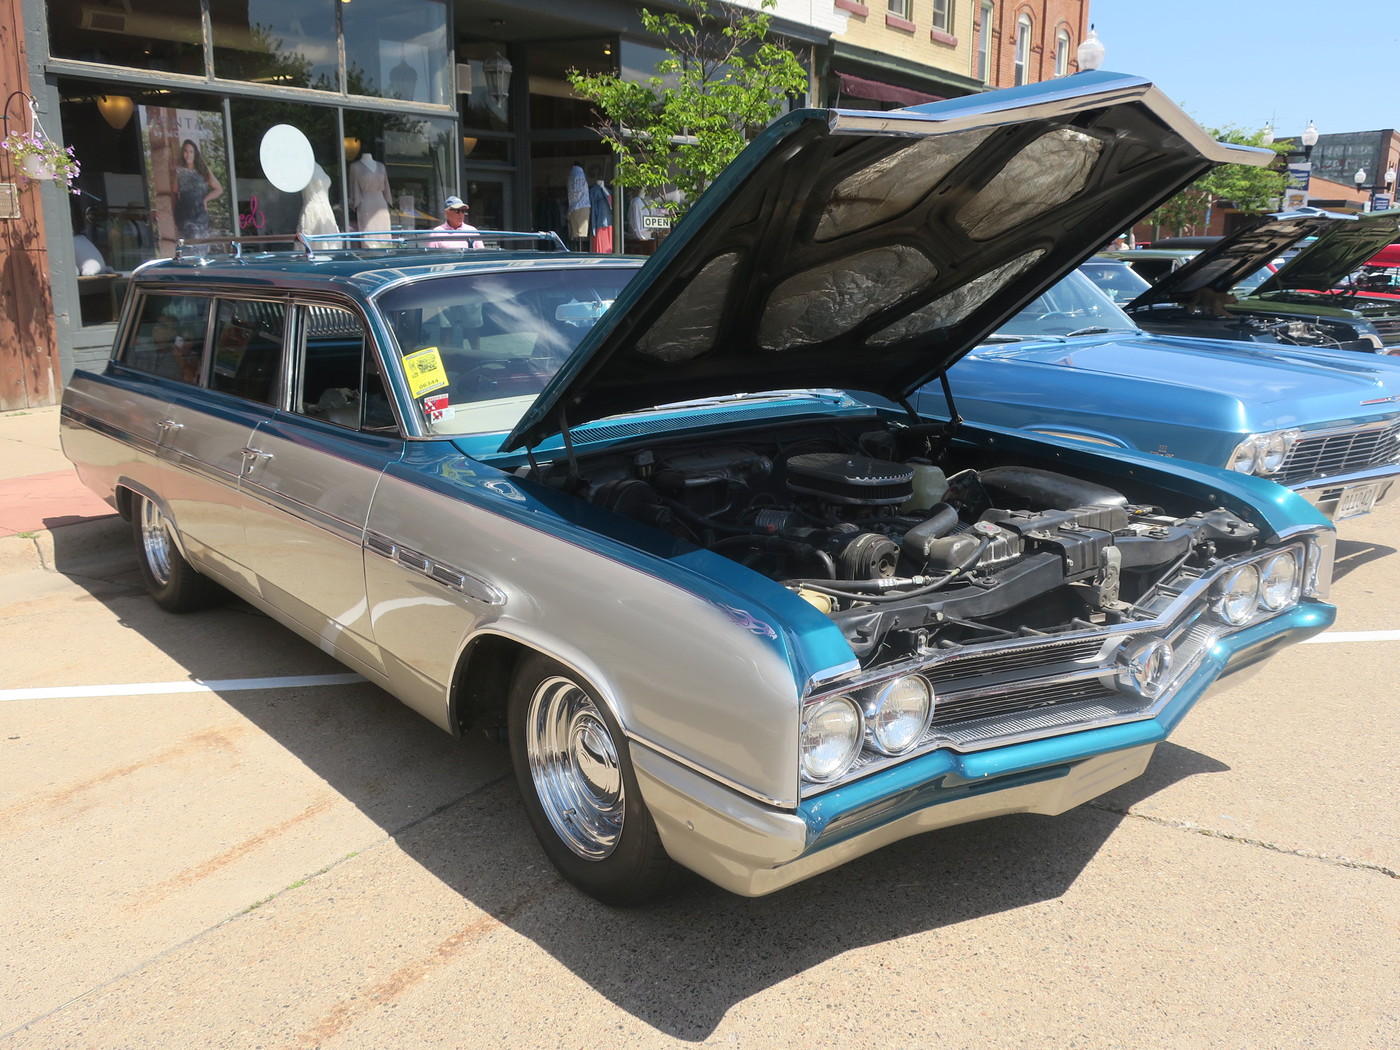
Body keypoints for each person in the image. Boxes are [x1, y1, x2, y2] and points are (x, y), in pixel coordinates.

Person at [173, 139, 222, 240]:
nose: (188, 154)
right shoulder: (178, 171)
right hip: (183, 213)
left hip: (199, 213)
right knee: (186, 244)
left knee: (199, 242)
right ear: (183, 153)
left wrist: (205, 199)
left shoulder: (203, 169)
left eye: (191, 151)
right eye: (186, 151)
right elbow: (174, 192)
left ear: (195, 153)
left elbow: (218, 189)